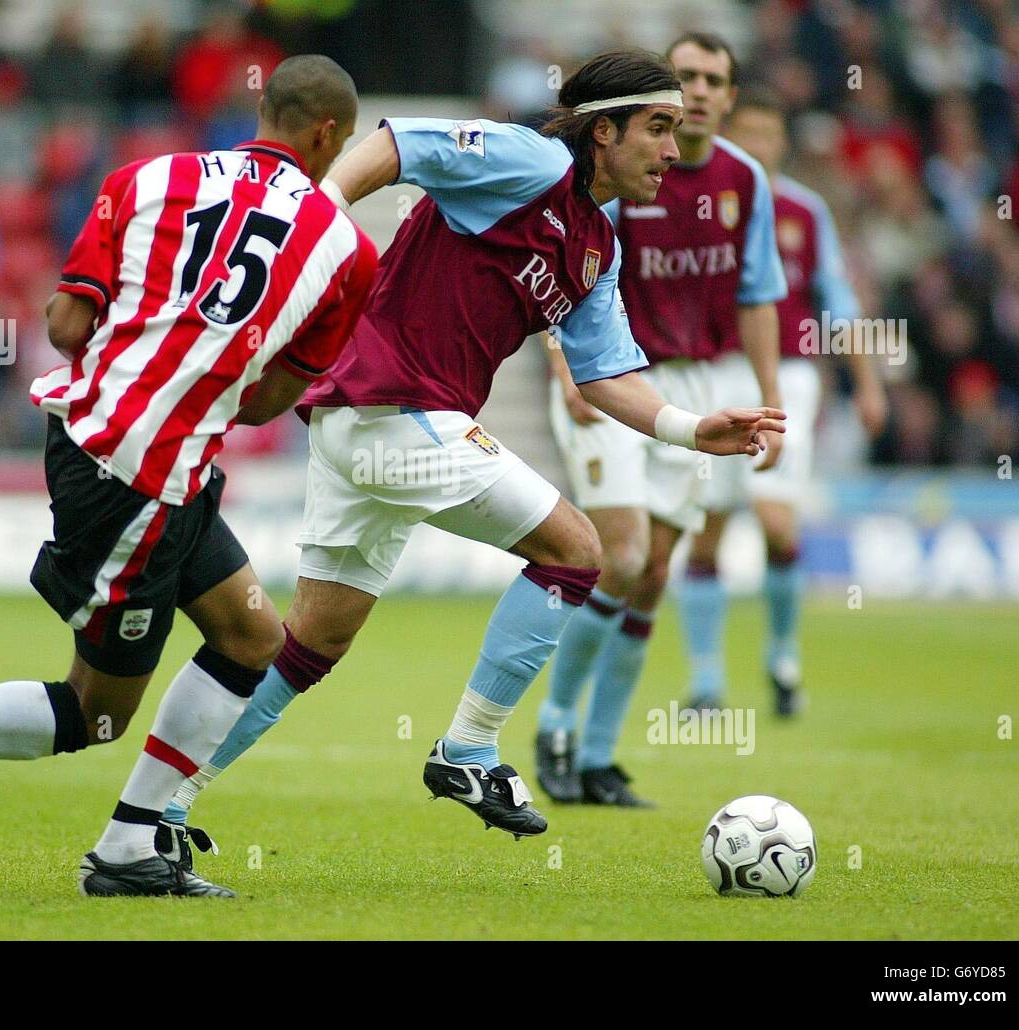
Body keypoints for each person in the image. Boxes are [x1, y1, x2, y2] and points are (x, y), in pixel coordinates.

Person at [0, 55, 378, 900]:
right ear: (327, 135)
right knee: (92, 713)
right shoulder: (347, 251)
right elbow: (264, 405)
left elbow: (64, 323)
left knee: (252, 639)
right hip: (139, 479)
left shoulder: (145, 177)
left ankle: (131, 844)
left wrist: (145, 356)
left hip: (122, 450)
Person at [156, 48, 785, 842]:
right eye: (656, 128)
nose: (671, 148)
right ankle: (469, 748)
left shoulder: (597, 244)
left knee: (307, 646)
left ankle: (162, 808)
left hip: (371, 424)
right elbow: (399, 145)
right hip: (393, 406)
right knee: (577, 550)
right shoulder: (530, 162)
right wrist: (318, 215)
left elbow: (604, 374)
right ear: (602, 132)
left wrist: (692, 429)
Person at [536, 33, 787, 807]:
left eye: (715, 79)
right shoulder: (622, 172)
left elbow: (757, 299)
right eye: (686, 78)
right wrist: (562, 366)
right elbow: (557, 253)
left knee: (650, 577)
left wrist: (771, 404)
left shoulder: (746, 181)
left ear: (732, 96)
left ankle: (600, 758)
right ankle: (554, 729)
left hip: (695, 386)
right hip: (612, 377)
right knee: (622, 553)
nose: (701, 91)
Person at [680, 87, 888, 716]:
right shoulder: (702, 198)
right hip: (711, 370)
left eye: (770, 134)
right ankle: (708, 681)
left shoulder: (805, 209)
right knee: (709, 530)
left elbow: (838, 301)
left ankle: (782, 656)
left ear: (782, 142)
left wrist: (869, 382)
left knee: (776, 524)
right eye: (749, 133)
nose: (759, 146)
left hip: (788, 374)